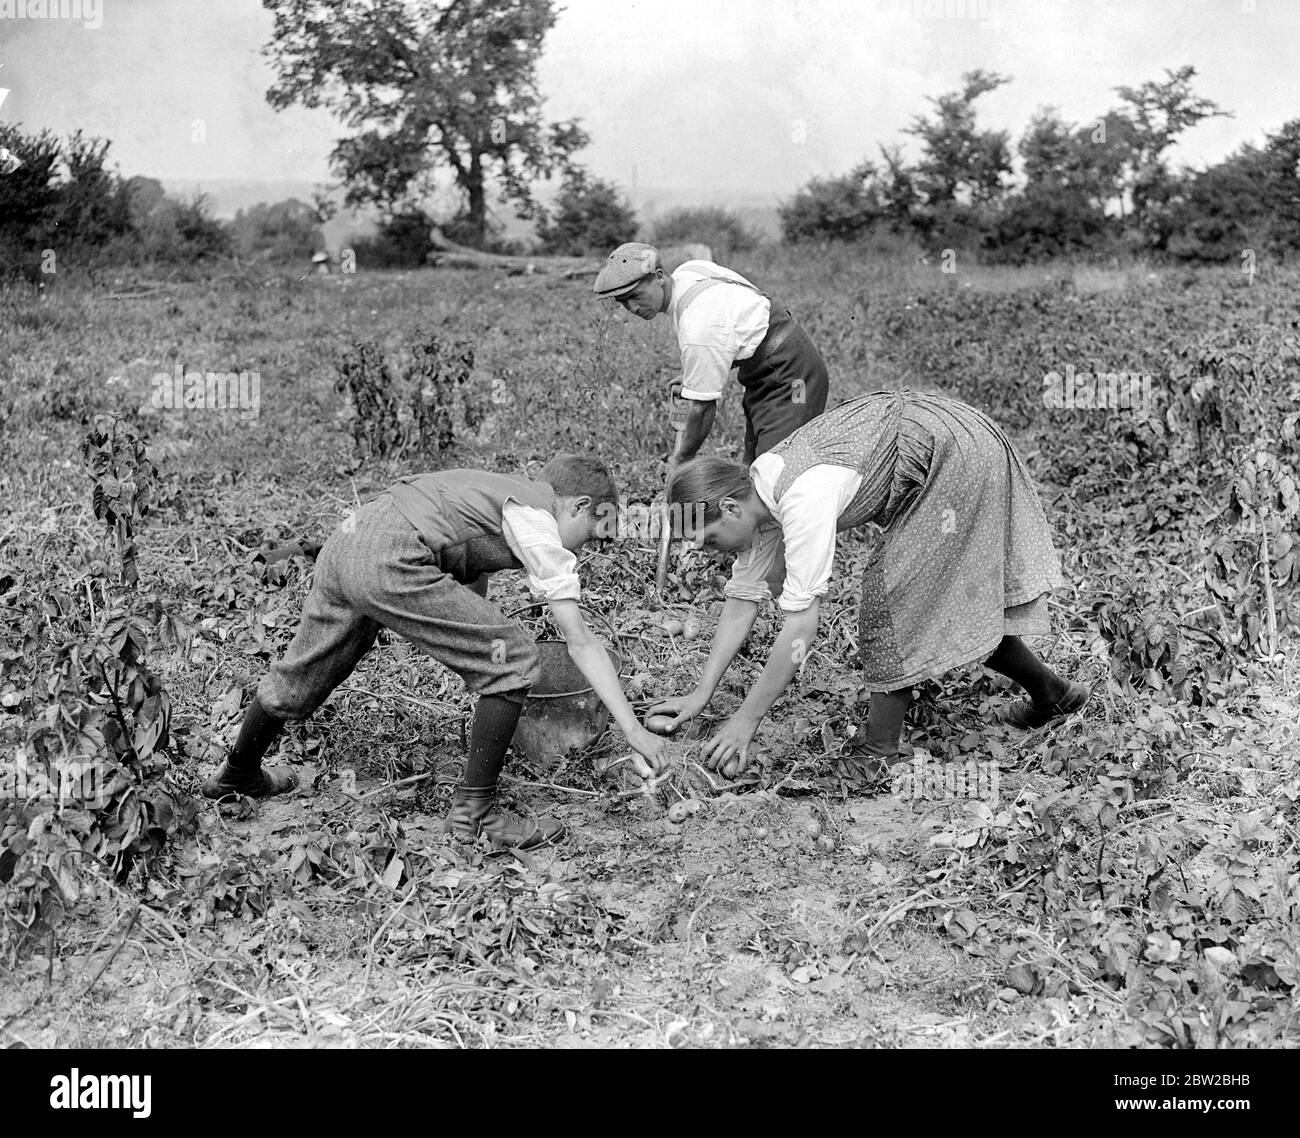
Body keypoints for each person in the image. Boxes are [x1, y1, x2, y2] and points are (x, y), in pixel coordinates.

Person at [202, 455, 669, 848]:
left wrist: (471, 640)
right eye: (587, 534)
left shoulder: (497, 492)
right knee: (515, 659)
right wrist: (633, 729)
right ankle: (475, 816)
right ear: (579, 505)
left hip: (351, 536)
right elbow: (580, 641)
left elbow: (465, 561)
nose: (582, 549)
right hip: (390, 553)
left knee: (302, 671)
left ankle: (237, 773)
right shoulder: (539, 521)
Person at [647, 390, 1089, 781]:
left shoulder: (801, 498)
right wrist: (700, 694)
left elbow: (800, 627)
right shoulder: (759, 490)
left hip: (957, 455)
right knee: (936, 599)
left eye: (709, 540)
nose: (710, 553)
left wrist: (747, 719)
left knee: (891, 604)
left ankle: (878, 753)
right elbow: (742, 600)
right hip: (946, 441)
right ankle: (1052, 693)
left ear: (729, 508)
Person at [592, 242, 830, 467]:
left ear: (659, 277)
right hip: (764, 372)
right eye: (623, 302)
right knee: (753, 459)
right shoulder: (690, 271)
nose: (632, 308)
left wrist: (681, 458)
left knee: (778, 465)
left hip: (796, 379)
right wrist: (693, 375)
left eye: (635, 296)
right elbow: (737, 322)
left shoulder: (698, 327)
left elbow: (702, 408)